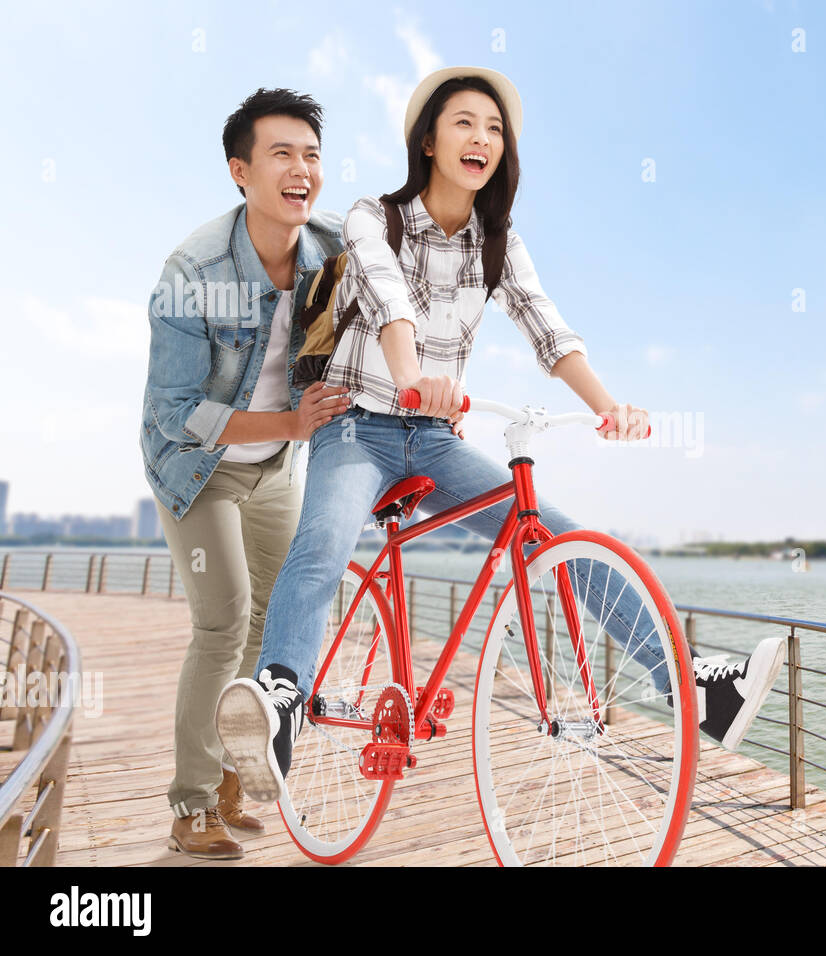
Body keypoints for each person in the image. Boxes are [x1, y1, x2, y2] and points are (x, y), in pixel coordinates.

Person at [215, 67, 784, 805]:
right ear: (427, 140)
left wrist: (611, 406)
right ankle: (282, 703)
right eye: (463, 123)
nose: (481, 138)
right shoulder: (371, 216)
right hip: (356, 429)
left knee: (559, 535)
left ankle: (692, 688)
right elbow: (390, 304)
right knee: (322, 544)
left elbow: (549, 331)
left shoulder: (498, 244)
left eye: (493, 128)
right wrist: (414, 375)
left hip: (435, 439)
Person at [141, 88, 352, 858]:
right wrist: (295, 422)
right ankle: (190, 804)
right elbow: (176, 413)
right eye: (282, 154)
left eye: (313, 155)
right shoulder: (190, 272)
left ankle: (236, 776)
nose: (302, 170)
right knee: (224, 621)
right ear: (240, 171)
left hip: (274, 467)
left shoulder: (332, 249)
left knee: (277, 618)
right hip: (196, 472)